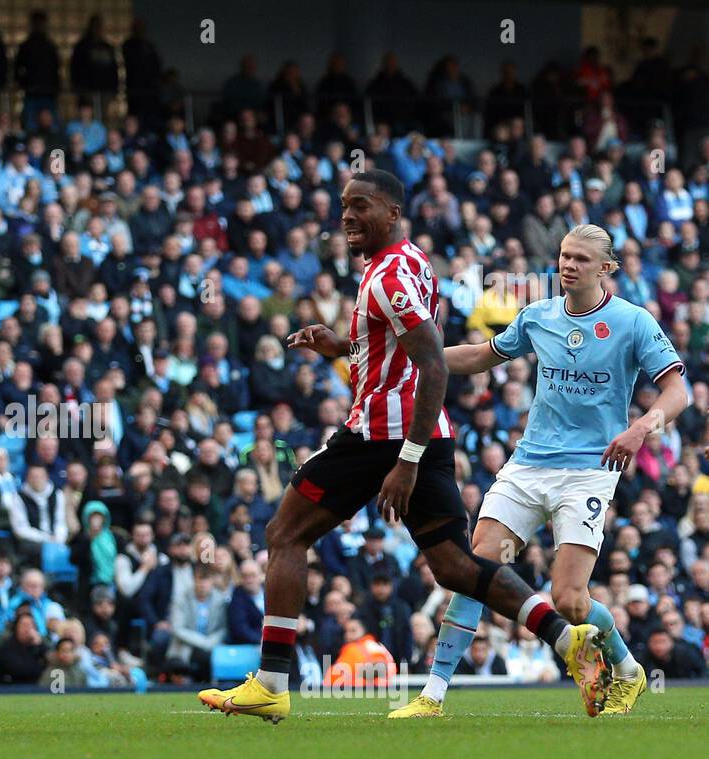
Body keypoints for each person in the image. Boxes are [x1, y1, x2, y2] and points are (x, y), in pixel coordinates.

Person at [199, 170, 600, 725]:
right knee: (455, 567)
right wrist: (342, 345)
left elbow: (433, 363)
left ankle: (270, 683)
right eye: (342, 206)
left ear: (391, 212)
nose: (346, 216)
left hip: (382, 435)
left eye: (359, 206)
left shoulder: (387, 277)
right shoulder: (408, 262)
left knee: (284, 533)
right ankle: (565, 639)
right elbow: (399, 345)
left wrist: (405, 462)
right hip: (420, 433)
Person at [410, 224, 688, 717]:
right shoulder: (538, 315)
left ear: (605, 268)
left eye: (581, 259)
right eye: (563, 256)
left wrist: (641, 427)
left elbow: (677, 393)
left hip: (589, 470)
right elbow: (480, 355)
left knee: (570, 602)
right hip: (528, 463)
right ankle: (432, 695)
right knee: (474, 569)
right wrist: (415, 355)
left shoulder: (634, 322)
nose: (568, 265)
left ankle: (627, 668)